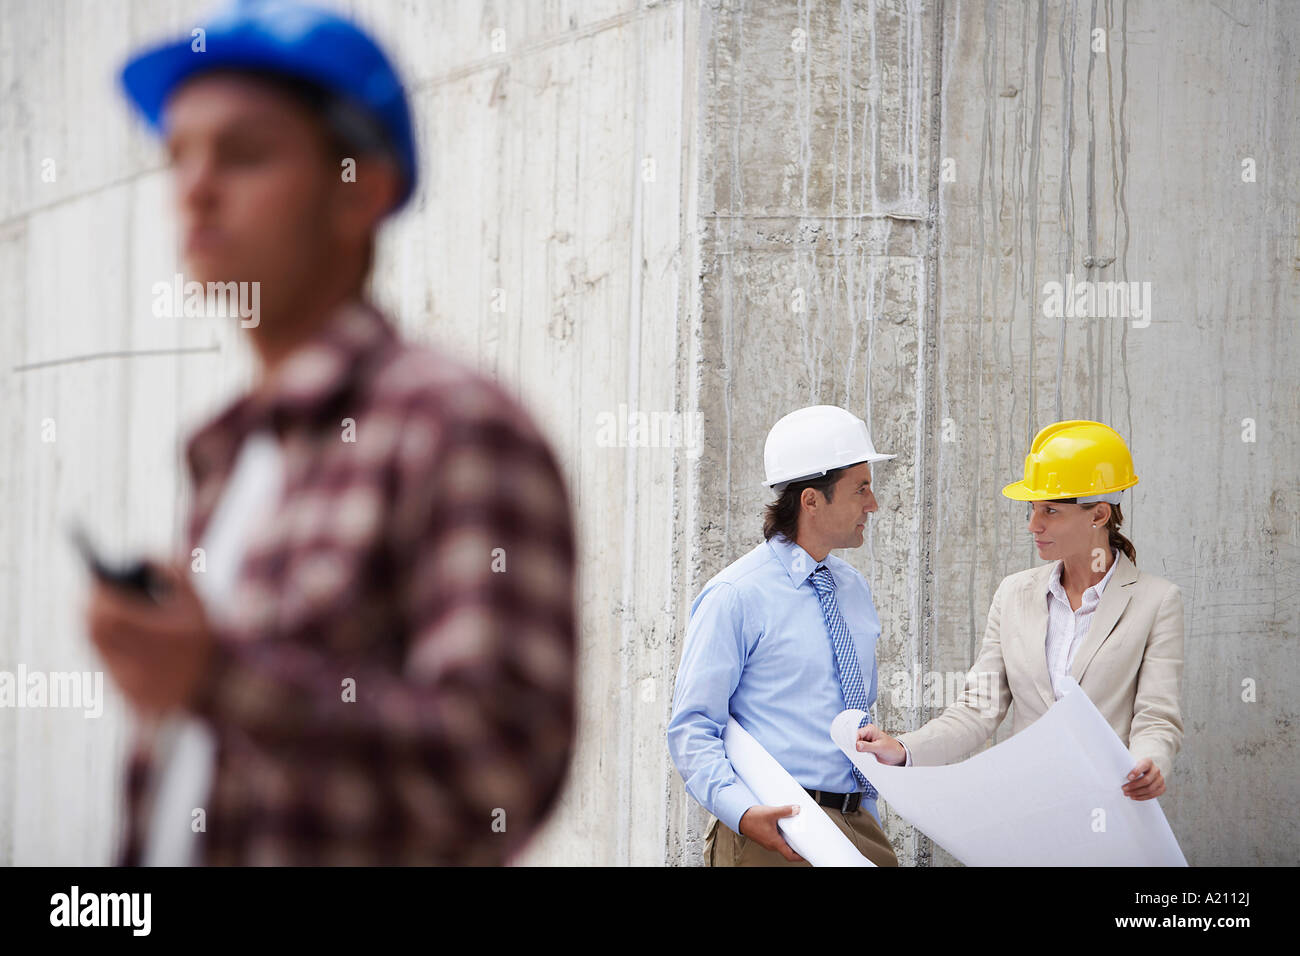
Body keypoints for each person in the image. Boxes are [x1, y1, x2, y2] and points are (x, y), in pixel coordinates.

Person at [85, 0, 577, 866]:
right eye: (178, 156)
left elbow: (502, 769)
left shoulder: (454, 426)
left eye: (242, 153)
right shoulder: (228, 452)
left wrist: (217, 677)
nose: (194, 188)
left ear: (363, 189)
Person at [856, 420, 1183, 803]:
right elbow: (979, 708)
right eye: (1032, 509)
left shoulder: (1156, 601)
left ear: (1098, 515)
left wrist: (1149, 762)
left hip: (1110, 807)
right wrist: (904, 748)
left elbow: (1157, 717)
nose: (1033, 525)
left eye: (1050, 511)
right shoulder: (1015, 594)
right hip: (1026, 808)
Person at [668, 405, 900, 866]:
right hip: (772, 834)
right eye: (861, 489)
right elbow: (693, 725)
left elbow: (856, 712)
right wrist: (743, 812)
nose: (872, 504)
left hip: (856, 826)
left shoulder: (852, 590)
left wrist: (866, 805)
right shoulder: (736, 595)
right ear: (811, 500)